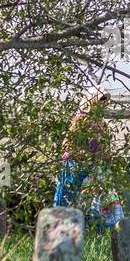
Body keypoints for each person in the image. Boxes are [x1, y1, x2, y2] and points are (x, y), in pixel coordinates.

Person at [53, 87, 123, 228]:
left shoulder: (101, 123)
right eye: (99, 101)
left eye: (104, 102)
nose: (101, 105)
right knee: (69, 198)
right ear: (91, 102)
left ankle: (95, 229)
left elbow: (104, 145)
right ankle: (64, 230)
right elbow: (69, 145)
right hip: (75, 166)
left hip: (94, 168)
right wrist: (88, 154)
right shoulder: (80, 120)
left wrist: (105, 156)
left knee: (95, 200)